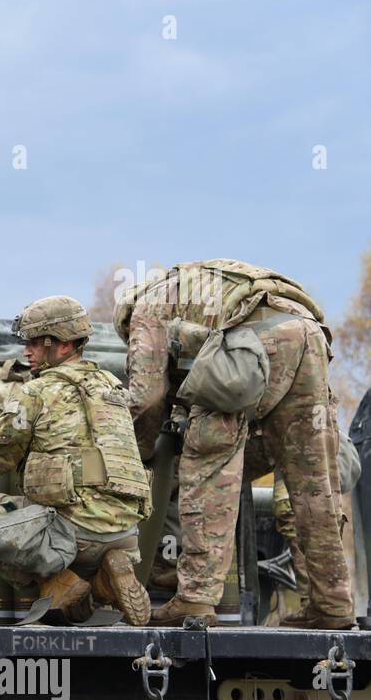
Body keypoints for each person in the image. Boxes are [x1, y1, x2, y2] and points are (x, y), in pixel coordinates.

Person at [117, 260, 354, 629]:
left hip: (253, 343)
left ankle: (194, 600)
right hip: (310, 334)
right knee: (313, 485)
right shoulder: (209, 282)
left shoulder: (147, 308)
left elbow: (146, 398)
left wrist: (143, 453)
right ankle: (332, 603)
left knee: (206, 466)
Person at [0, 296, 152, 625]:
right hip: (126, 534)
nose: (27, 351)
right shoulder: (114, 389)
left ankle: (57, 585)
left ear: (61, 345)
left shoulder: (36, 392)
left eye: (35, 343)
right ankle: (102, 582)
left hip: (72, 538)